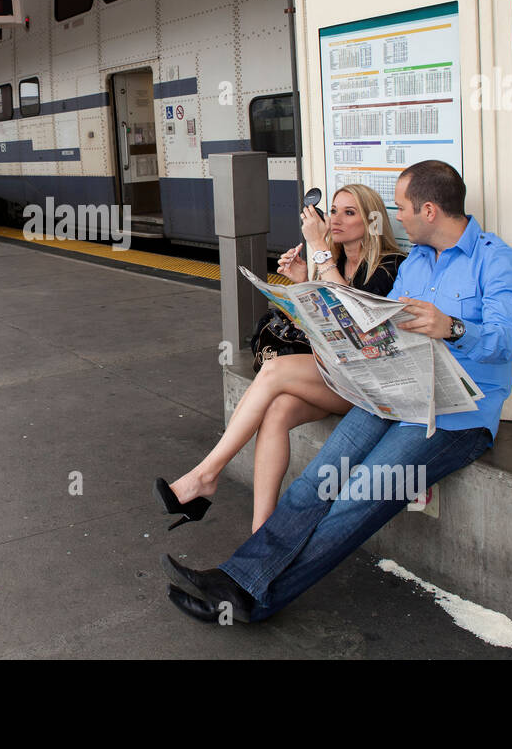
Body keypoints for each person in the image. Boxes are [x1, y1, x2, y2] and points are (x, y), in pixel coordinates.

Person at [161, 160, 512, 624]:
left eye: (402, 207)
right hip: (395, 392)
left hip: (456, 415)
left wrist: (452, 325)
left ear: (430, 210)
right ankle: (239, 579)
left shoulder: (499, 261)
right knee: (316, 483)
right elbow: (373, 322)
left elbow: (504, 342)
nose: (397, 216)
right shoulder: (417, 262)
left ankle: (250, 598)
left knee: (357, 497)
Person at [156, 184, 406, 533]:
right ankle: (262, 530)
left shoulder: (390, 264)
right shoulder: (334, 261)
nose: (335, 219)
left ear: (373, 220)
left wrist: (319, 251)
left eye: (350, 213)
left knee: (273, 372)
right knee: (276, 412)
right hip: (332, 376)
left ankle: (205, 475)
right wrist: (300, 284)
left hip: (366, 388)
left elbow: (352, 322)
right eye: (333, 210)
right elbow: (319, 328)